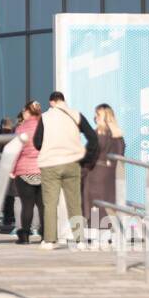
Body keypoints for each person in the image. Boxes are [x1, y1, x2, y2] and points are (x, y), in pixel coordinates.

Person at [33, 92, 91, 249]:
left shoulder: (45, 117)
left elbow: (37, 142)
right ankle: (80, 241)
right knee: (74, 203)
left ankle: (50, 241)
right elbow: (92, 137)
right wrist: (86, 159)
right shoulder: (76, 115)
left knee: (50, 203)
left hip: (50, 163)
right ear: (63, 101)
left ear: (51, 102)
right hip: (72, 163)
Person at [83, 103, 126, 236]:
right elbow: (120, 152)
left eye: (97, 115)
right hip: (110, 173)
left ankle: (97, 233)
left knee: (94, 203)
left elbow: (91, 154)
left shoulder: (99, 134)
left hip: (96, 172)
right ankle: (110, 231)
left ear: (102, 117)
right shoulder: (117, 135)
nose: (94, 118)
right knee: (108, 202)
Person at [11, 102, 45, 244]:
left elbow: (15, 152)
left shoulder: (21, 129)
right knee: (43, 205)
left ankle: (24, 235)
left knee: (27, 205)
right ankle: (46, 235)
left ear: (27, 112)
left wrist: (12, 170)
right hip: (42, 169)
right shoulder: (45, 127)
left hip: (24, 172)